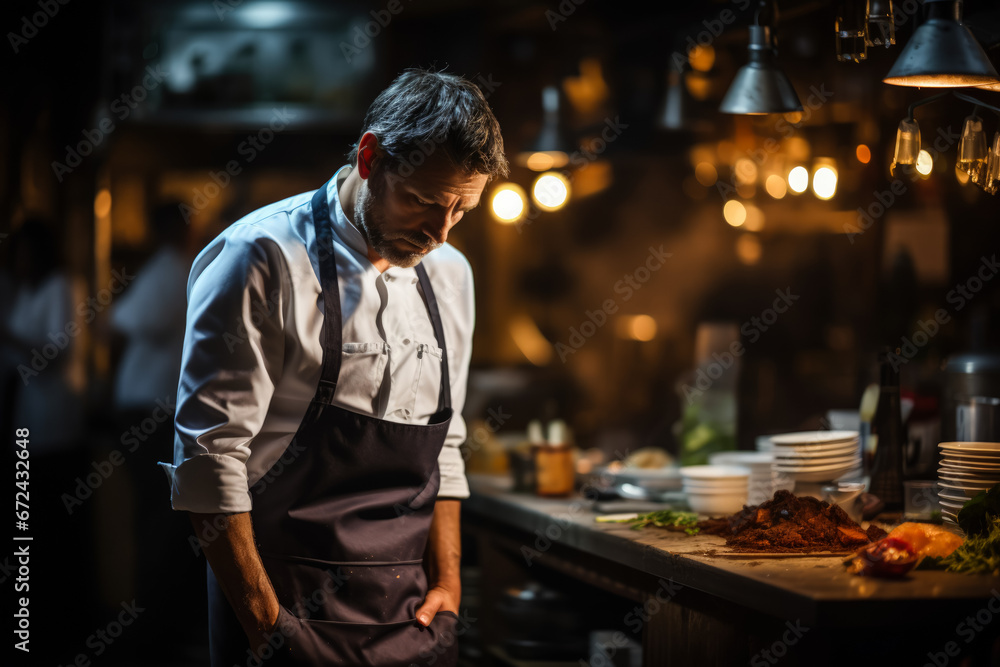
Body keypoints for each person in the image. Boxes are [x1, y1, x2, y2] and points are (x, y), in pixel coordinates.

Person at [160, 68, 508, 666]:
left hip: (410, 613)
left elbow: (445, 445)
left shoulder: (451, 273)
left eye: (461, 210)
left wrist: (448, 586)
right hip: (282, 606)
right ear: (370, 157)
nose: (440, 232)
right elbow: (209, 462)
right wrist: (269, 627)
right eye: (423, 201)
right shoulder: (259, 258)